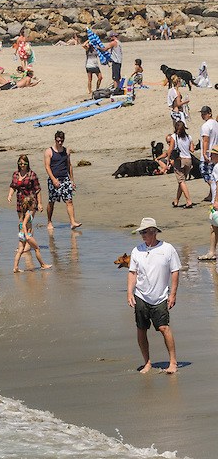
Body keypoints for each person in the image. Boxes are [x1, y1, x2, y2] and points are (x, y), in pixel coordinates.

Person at [127, 218, 180, 374]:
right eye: (142, 232)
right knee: (141, 329)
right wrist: (130, 292)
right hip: (141, 295)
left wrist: (173, 294)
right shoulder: (137, 250)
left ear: (154, 231)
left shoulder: (168, 248)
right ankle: (147, 362)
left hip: (161, 296)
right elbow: (132, 272)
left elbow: (175, 271)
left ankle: (173, 362)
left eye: (146, 232)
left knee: (164, 328)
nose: (143, 235)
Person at [44, 130, 81, 229]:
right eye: (58, 141)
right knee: (52, 201)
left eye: (62, 141)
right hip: (54, 179)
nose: (60, 143)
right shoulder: (49, 151)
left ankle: (72, 222)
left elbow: (69, 165)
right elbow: (47, 167)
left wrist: (72, 181)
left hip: (65, 179)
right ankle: (49, 221)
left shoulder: (66, 151)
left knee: (69, 200)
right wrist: (53, 179)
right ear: (55, 140)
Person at [12, 196, 52, 273]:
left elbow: (19, 224)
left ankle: (15, 267)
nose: (35, 205)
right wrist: (27, 235)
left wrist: (21, 233)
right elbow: (24, 224)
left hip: (21, 234)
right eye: (34, 204)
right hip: (27, 235)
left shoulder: (23, 213)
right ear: (30, 205)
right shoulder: (28, 214)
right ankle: (43, 265)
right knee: (37, 249)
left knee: (20, 251)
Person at [164, 120, 194, 209]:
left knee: (181, 181)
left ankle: (188, 201)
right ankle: (176, 200)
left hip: (179, 160)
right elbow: (192, 149)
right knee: (181, 181)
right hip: (188, 160)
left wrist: (168, 160)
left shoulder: (174, 137)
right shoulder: (189, 137)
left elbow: (170, 149)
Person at [8, 154, 43, 225]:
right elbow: (13, 186)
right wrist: (10, 195)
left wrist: (39, 203)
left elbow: (38, 189)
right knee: (21, 222)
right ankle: (22, 235)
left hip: (31, 201)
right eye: (20, 163)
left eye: (24, 164)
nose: (22, 165)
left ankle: (28, 235)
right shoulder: (15, 174)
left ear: (28, 164)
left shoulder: (32, 175)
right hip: (20, 200)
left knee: (28, 222)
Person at [199, 105, 218, 203]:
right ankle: (211, 195)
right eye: (202, 114)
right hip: (215, 153)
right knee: (213, 174)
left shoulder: (206, 126)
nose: (203, 115)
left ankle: (215, 195)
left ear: (209, 113)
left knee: (207, 175)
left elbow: (205, 140)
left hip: (208, 154)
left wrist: (204, 153)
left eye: (204, 114)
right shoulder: (216, 123)